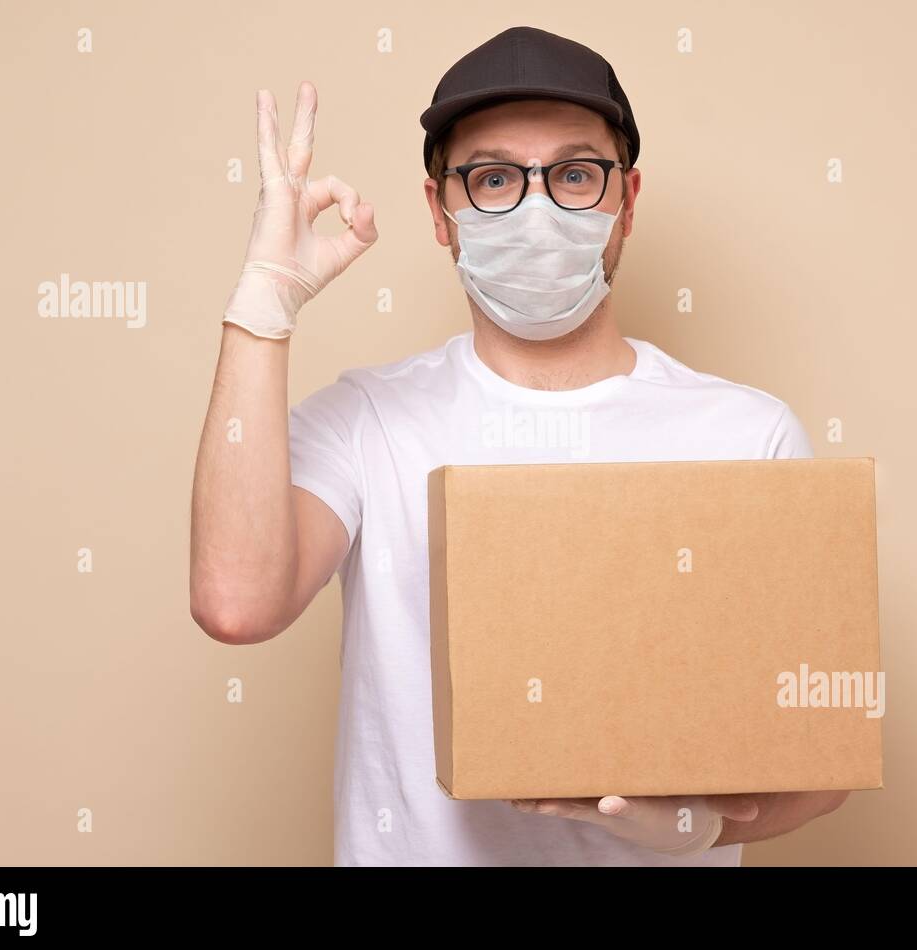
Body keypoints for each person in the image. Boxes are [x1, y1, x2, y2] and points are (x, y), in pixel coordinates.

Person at [190, 26, 849, 866]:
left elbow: (824, 761)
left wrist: (701, 822)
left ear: (628, 200)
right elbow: (236, 603)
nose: (537, 209)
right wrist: (261, 306)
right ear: (441, 211)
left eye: (575, 174)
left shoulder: (746, 435)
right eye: (495, 178)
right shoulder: (369, 420)